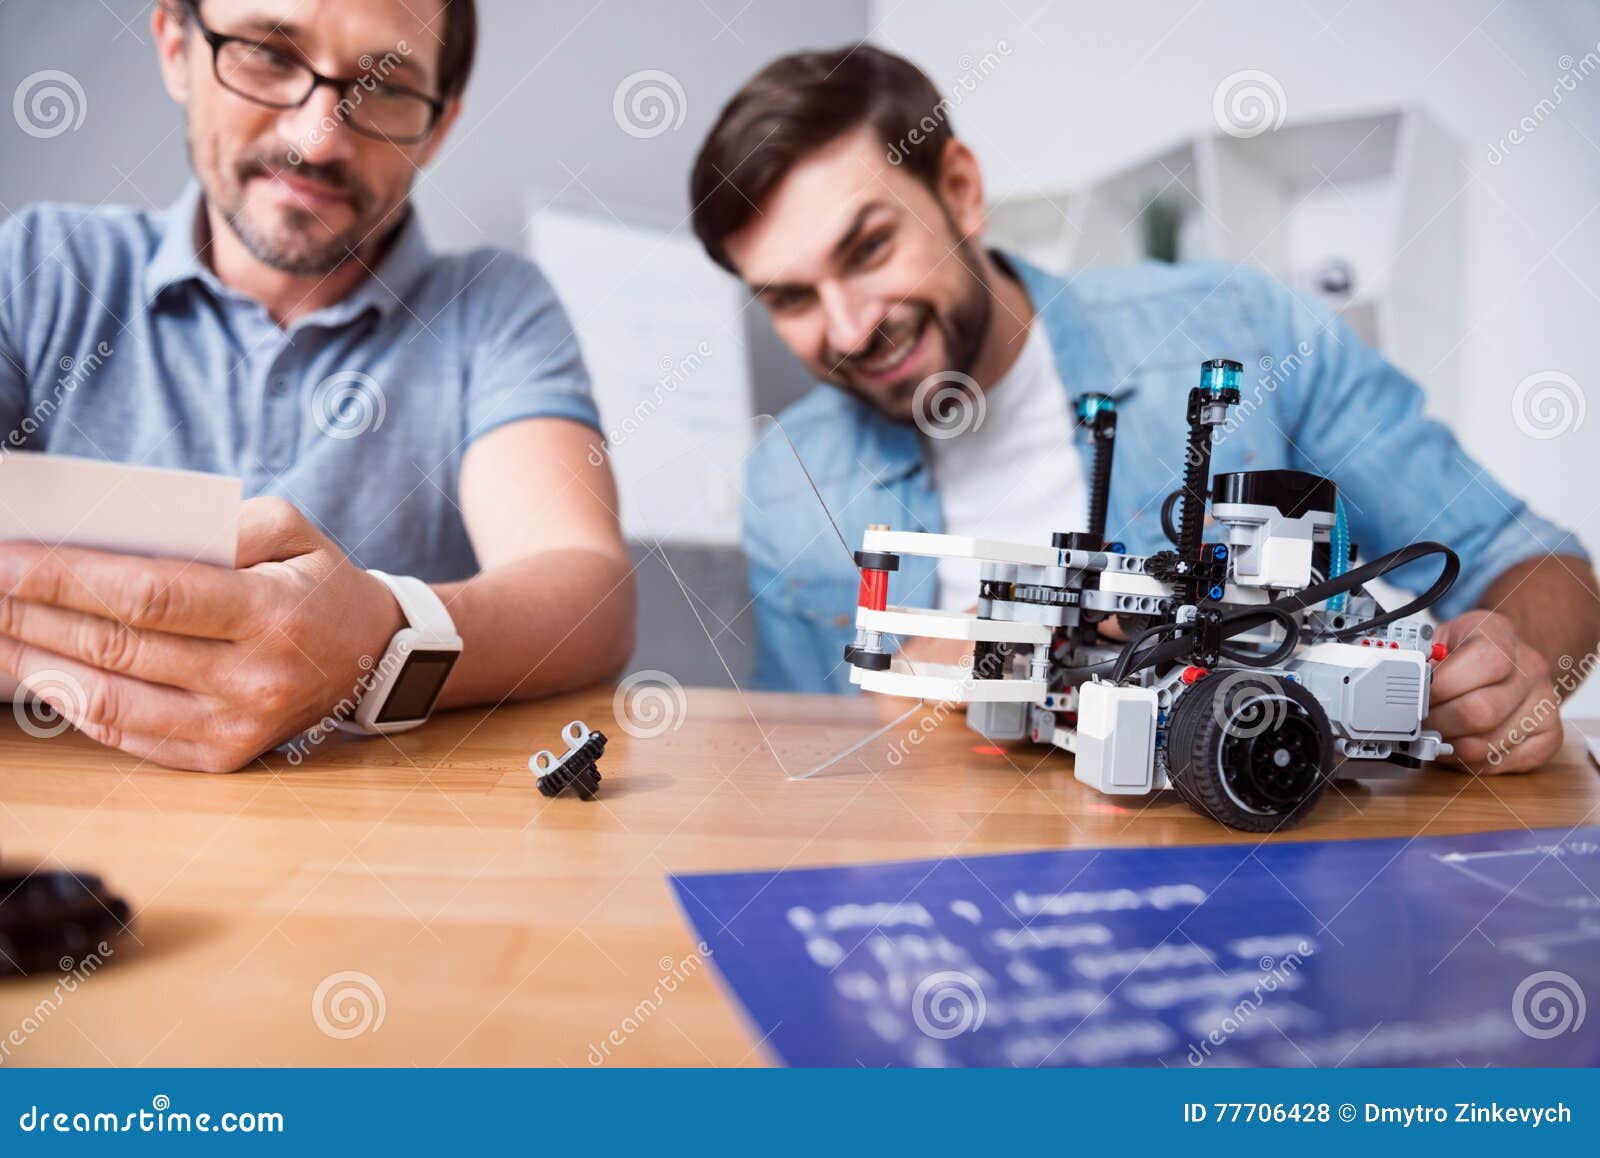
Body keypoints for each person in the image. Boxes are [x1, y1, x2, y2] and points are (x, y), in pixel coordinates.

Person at [690, 45, 1599, 774]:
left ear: (961, 191)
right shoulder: (787, 476)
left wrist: (1517, 677)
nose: (851, 328)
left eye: (871, 246)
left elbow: (1538, 561)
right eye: (791, 299)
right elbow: (797, 745)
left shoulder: (1240, 329)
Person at [0, 0, 634, 772]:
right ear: (175, 45)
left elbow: (587, 591)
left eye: (388, 84)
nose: (318, 138)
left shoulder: (492, 308)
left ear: (439, 125)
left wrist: (377, 643)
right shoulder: (38, 266)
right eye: (269, 54)